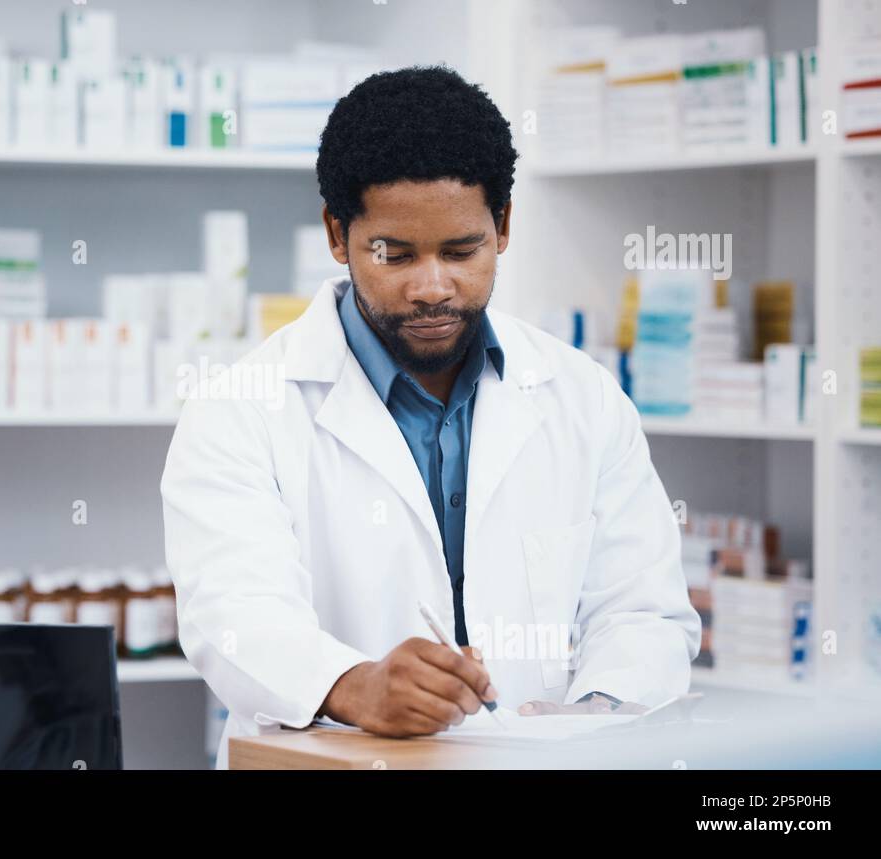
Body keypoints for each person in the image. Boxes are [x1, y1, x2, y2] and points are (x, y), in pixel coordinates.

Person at [160, 66, 701, 769]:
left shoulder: (584, 399)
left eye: (459, 251)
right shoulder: (241, 410)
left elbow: (642, 610)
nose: (431, 288)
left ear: (502, 226)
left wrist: (599, 711)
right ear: (337, 234)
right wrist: (357, 685)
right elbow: (234, 619)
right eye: (395, 254)